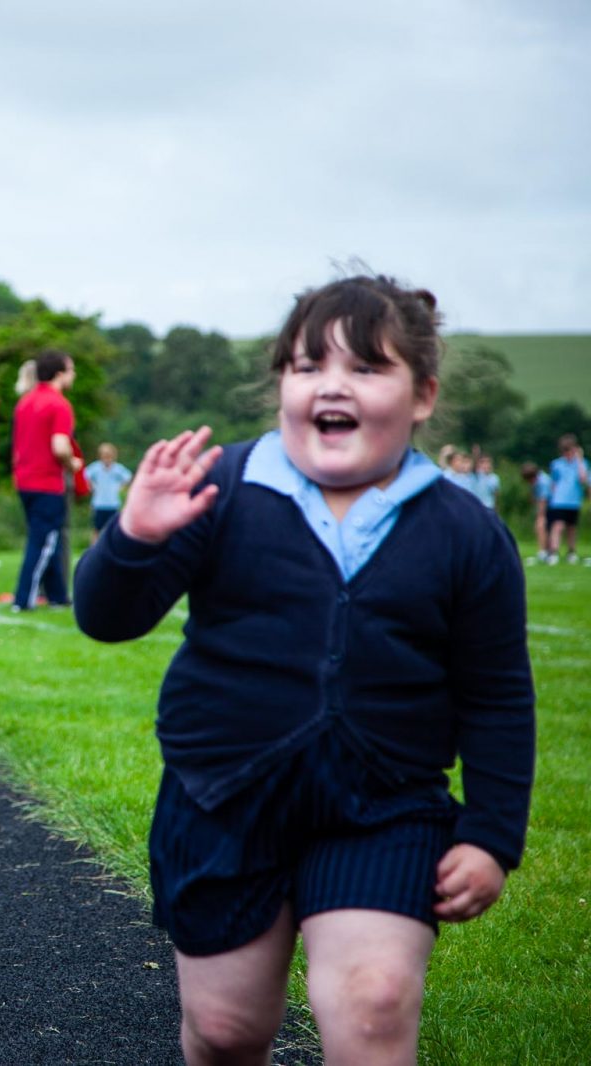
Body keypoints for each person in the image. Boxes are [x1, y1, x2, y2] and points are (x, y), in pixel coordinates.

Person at [74, 275, 534, 1065]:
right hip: (223, 795)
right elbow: (107, 619)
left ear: (422, 395)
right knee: (227, 1032)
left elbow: (496, 695)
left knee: (374, 1006)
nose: (332, 385)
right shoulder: (219, 487)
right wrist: (133, 540)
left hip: (384, 806)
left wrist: (492, 834)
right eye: (307, 365)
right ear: (280, 384)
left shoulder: (465, 530)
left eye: (365, 368)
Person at [10, 350, 82, 610]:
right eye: (71, 369)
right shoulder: (59, 404)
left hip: (25, 482)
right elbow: (60, 446)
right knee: (43, 542)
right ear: (60, 373)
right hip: (47, 484)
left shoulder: (25, 402)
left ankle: (58, 596)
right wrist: (73, 463)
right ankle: (23, 599)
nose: (74, 374)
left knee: (46, 540)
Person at [545, 433, 589, 564]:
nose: (567, 453)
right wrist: (552, 498)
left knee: (572, 528)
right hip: (559, 500)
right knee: (558, 526)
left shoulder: (582, 463)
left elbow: (583, 479)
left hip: (574, 501)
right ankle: (553, 552)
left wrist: (580, 459)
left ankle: (571, 552)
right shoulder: (556, 464)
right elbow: (553, 483)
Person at [83, 442, 133, 545]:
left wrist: (121, 487)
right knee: (97, 529)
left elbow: (128, 477)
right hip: (99, 503)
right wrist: (91, 486)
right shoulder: (96, 468)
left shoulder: (117, 469)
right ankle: (93, 550)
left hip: (113, 503)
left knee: (113, 530)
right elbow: (84, 476)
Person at [520, 461, 551, 562]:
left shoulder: (543, 482)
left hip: (552, 508)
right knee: (543, 528)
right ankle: (545, 551)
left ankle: (543, 552)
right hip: (547, 506)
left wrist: (540, 514)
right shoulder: (538, 481)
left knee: (540, 526)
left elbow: (543, 500)